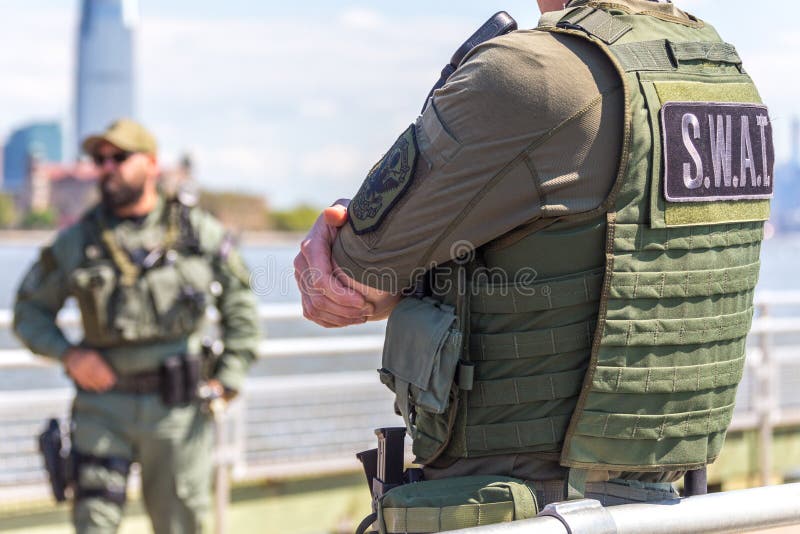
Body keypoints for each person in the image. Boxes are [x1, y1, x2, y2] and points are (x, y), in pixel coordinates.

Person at [295, 0, 774, 529]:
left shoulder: (536, 74)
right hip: (669, 507)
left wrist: (353, 249)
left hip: (520, 510)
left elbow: (352, 271)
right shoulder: (726, 81)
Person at [14, 118, 260, 534]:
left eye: (119, 157)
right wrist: (70, 355)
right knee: (94, 523)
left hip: (178, 413)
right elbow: (28, 311)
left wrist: (230, 375)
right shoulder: (77, 242)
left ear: (150, 163)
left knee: (181, 524)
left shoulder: (195, 231)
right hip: (102, 409)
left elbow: (240, 303)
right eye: (99, 159)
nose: (106, 167)